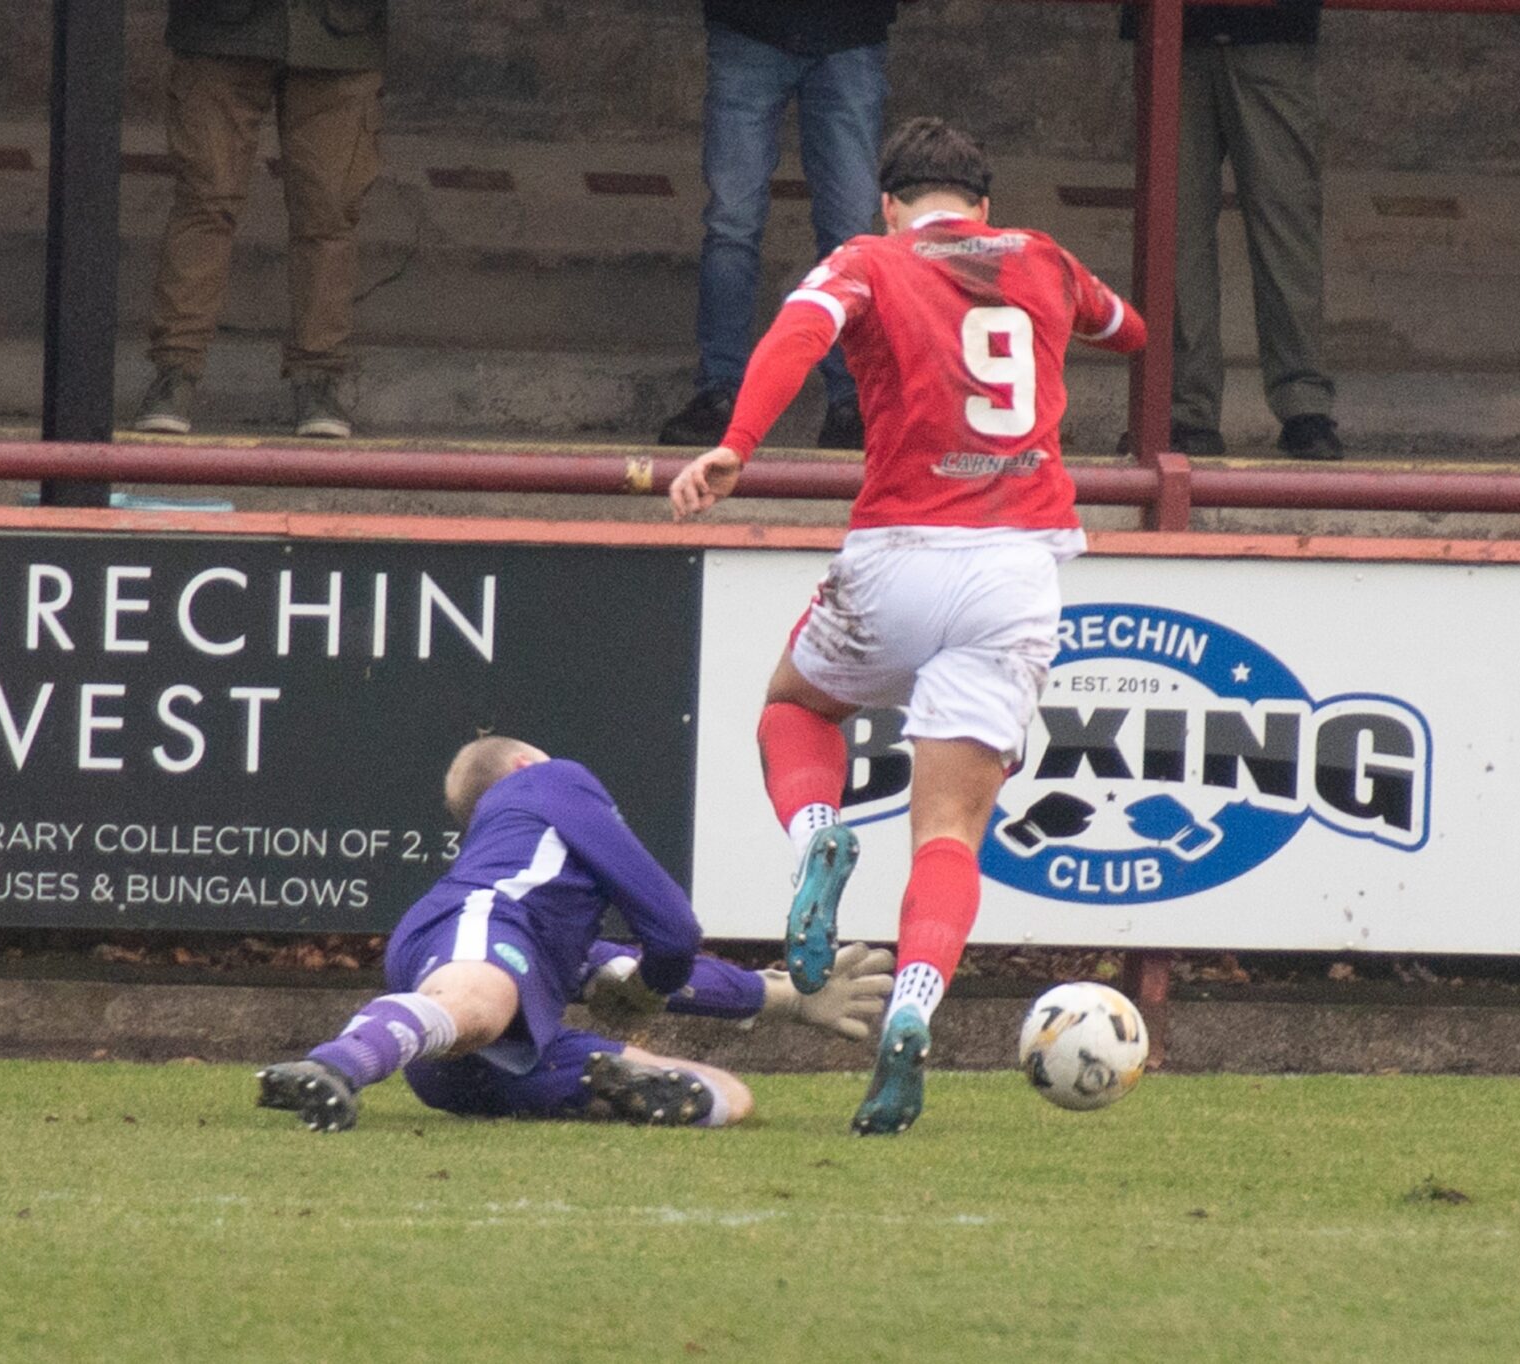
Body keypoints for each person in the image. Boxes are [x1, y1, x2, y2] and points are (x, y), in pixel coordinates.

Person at [668, 118, 1148, 1135]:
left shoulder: (867, 259)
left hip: (897, 554)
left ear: (889, 204)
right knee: (949, 834)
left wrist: (736, 444)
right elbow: (1131, 331)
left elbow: (797, 335)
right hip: (1014, 573)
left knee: (795, 709)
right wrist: (1071, 317)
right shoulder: (1045, 259)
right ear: (983, 203)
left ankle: (818, 836)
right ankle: (912, 1011)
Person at [255, 735, 895, 1132]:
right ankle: (333, 1066)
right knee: (480, 1003)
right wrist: (652, 984)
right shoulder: (548, 780)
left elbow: (624, 970)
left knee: (726, 1097)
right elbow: (672, 932)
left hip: (454, 1070)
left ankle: (611, 1086)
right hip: (479, 930)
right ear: (523, 765)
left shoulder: (552, 923)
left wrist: (783, 998)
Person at [656, 0, 901, 454]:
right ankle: (719, 394)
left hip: (845, 32)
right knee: (733, 224)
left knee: (846, 235)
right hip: (755, 27)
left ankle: (849, 402)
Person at [134, 0, 384, 441]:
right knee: (204, 203)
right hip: (219, 31)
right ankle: (176, 372)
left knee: (328, 213)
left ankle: (318, 378)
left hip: (340, 34)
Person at [1121, 0, 1340, 461]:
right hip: (1177, 31)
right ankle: (1183, 408)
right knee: (1174, 229)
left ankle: (1303, 403)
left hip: (1271, 28)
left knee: (1286, 222)